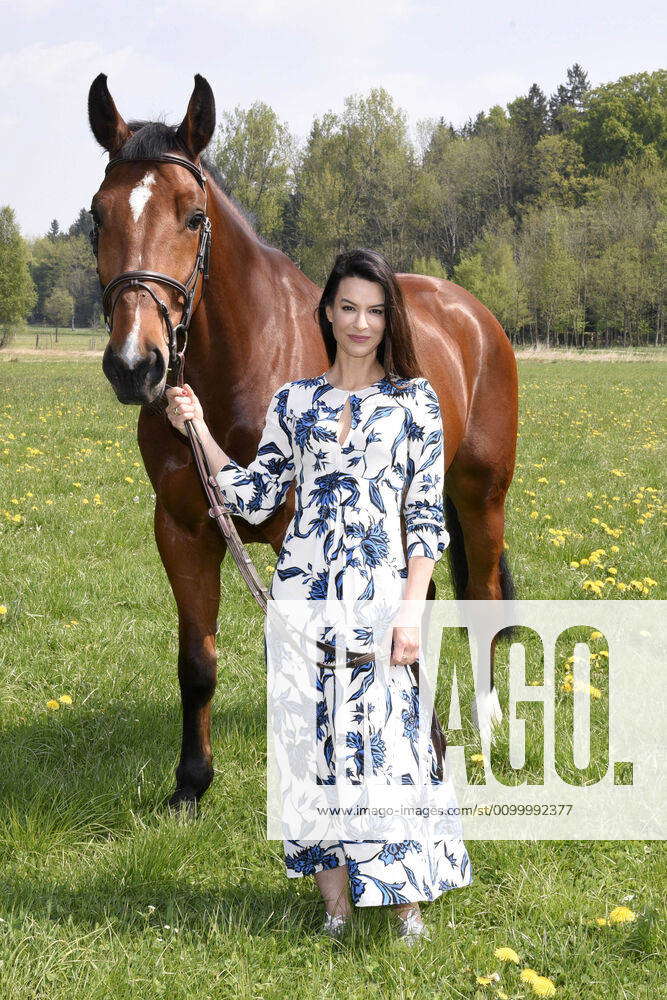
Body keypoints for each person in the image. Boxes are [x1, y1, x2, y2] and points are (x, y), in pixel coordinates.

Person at [165, 248, 471, 945]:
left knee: (387, 750)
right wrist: (199, 428)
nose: (360, 323)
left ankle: (403, 905)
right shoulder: (295, 402)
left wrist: (411, 611)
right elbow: (254, 494)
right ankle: (333, 908)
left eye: (373, 310)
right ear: (327, 313)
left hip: (377, 600)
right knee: (312, 750)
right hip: (301, 601)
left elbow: (424, 517)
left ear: (387, 318)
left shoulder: (412, 402)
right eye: (347, 308)